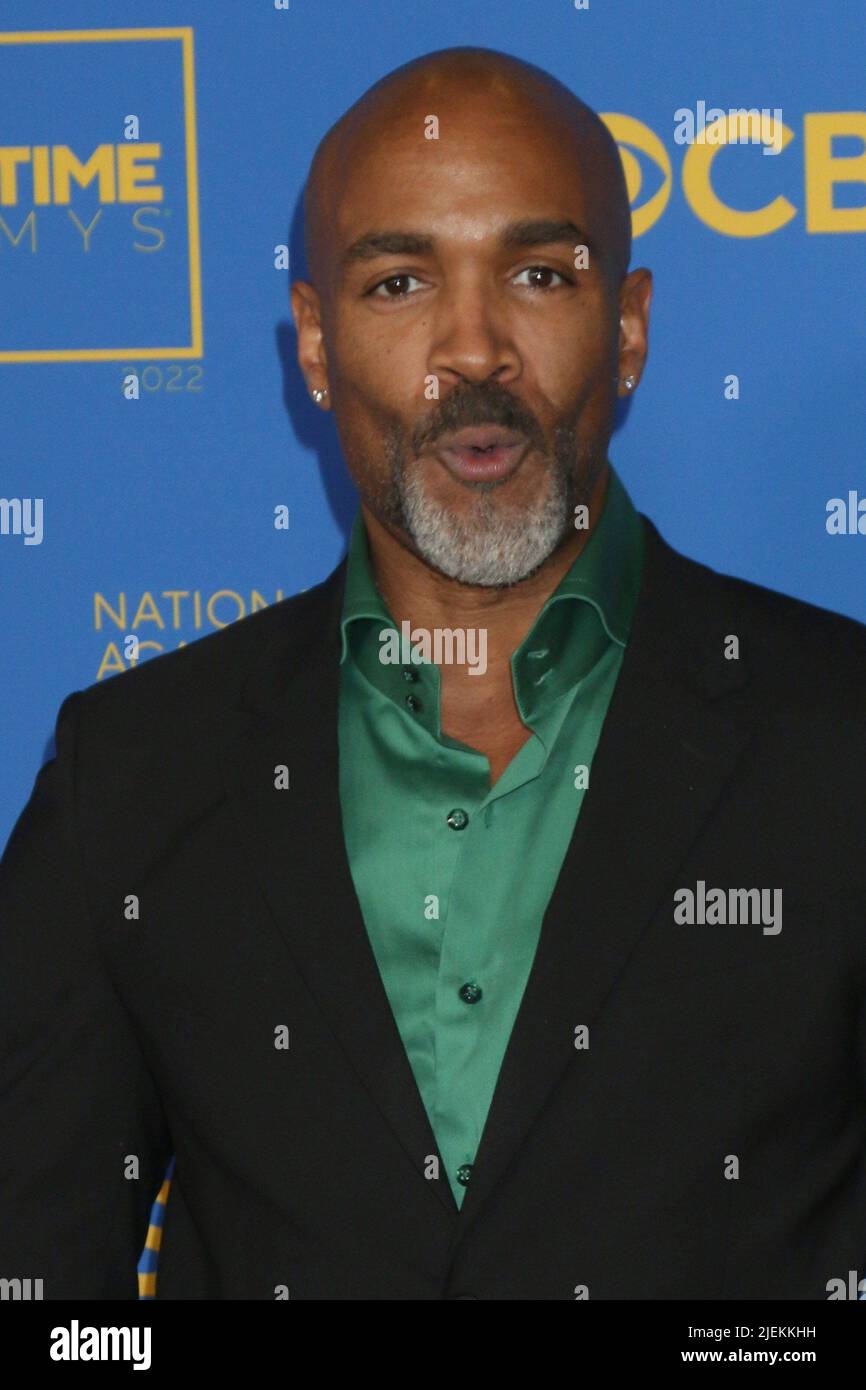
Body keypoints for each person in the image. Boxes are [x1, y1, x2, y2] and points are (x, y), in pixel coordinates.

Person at [2, 46, 865, 1301]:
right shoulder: (129, 775)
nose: (472, 352)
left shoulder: (837, 741)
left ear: (625, 329)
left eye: (534, 273)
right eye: (400, 280)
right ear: (311, 341)